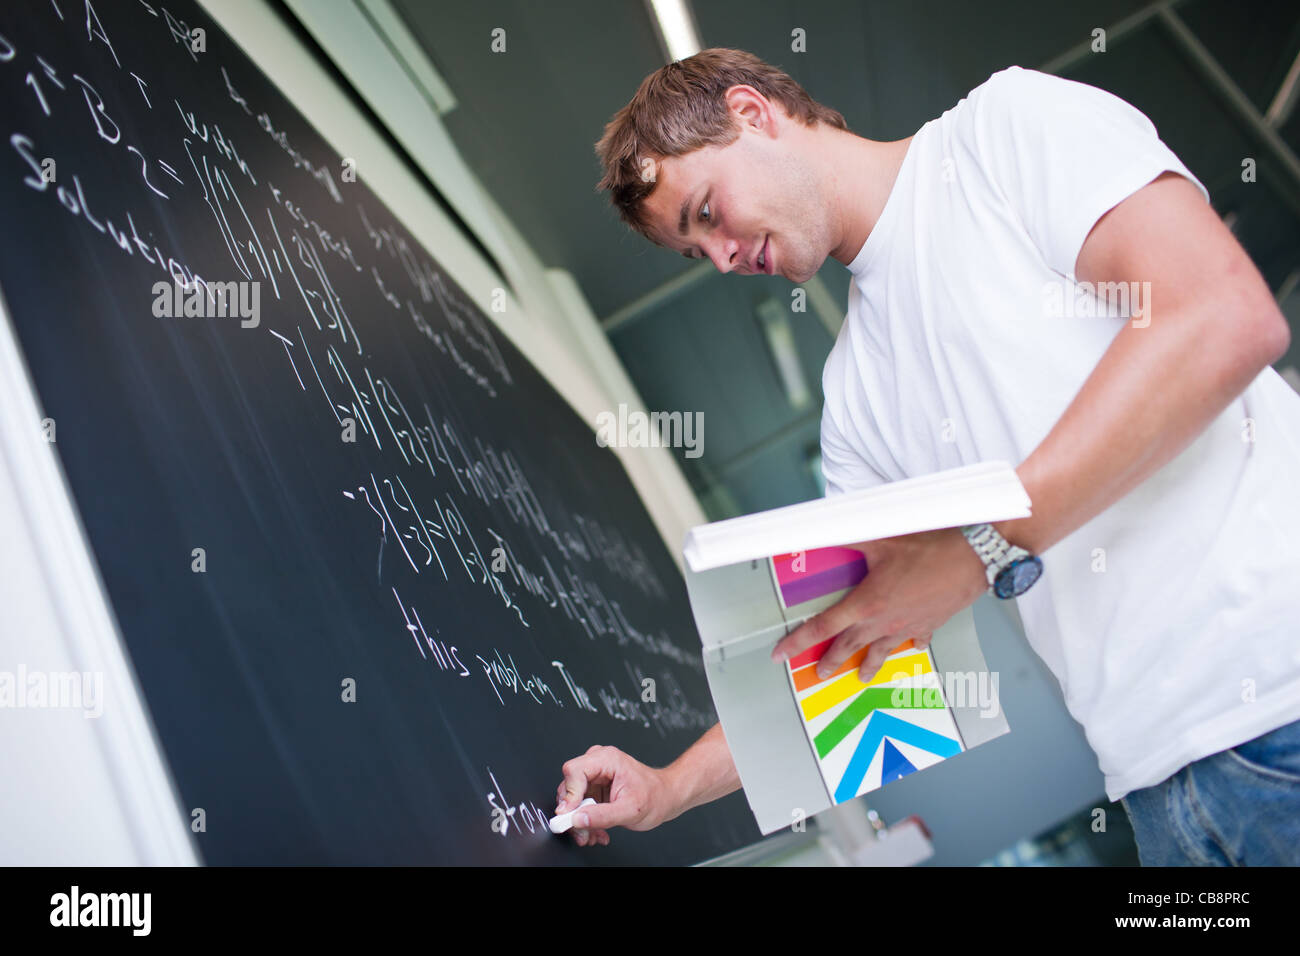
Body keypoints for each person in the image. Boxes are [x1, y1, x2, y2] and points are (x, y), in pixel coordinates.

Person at [556, 48, 1300, 864]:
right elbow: (851, 661)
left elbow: (1222, 317)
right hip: (1158, 795)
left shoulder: (1001, 133)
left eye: (707, 211)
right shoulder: (855, 402)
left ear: (753, 113)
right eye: (697, 253)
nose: (724, 257)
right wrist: (668, 790)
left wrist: (982, 549)